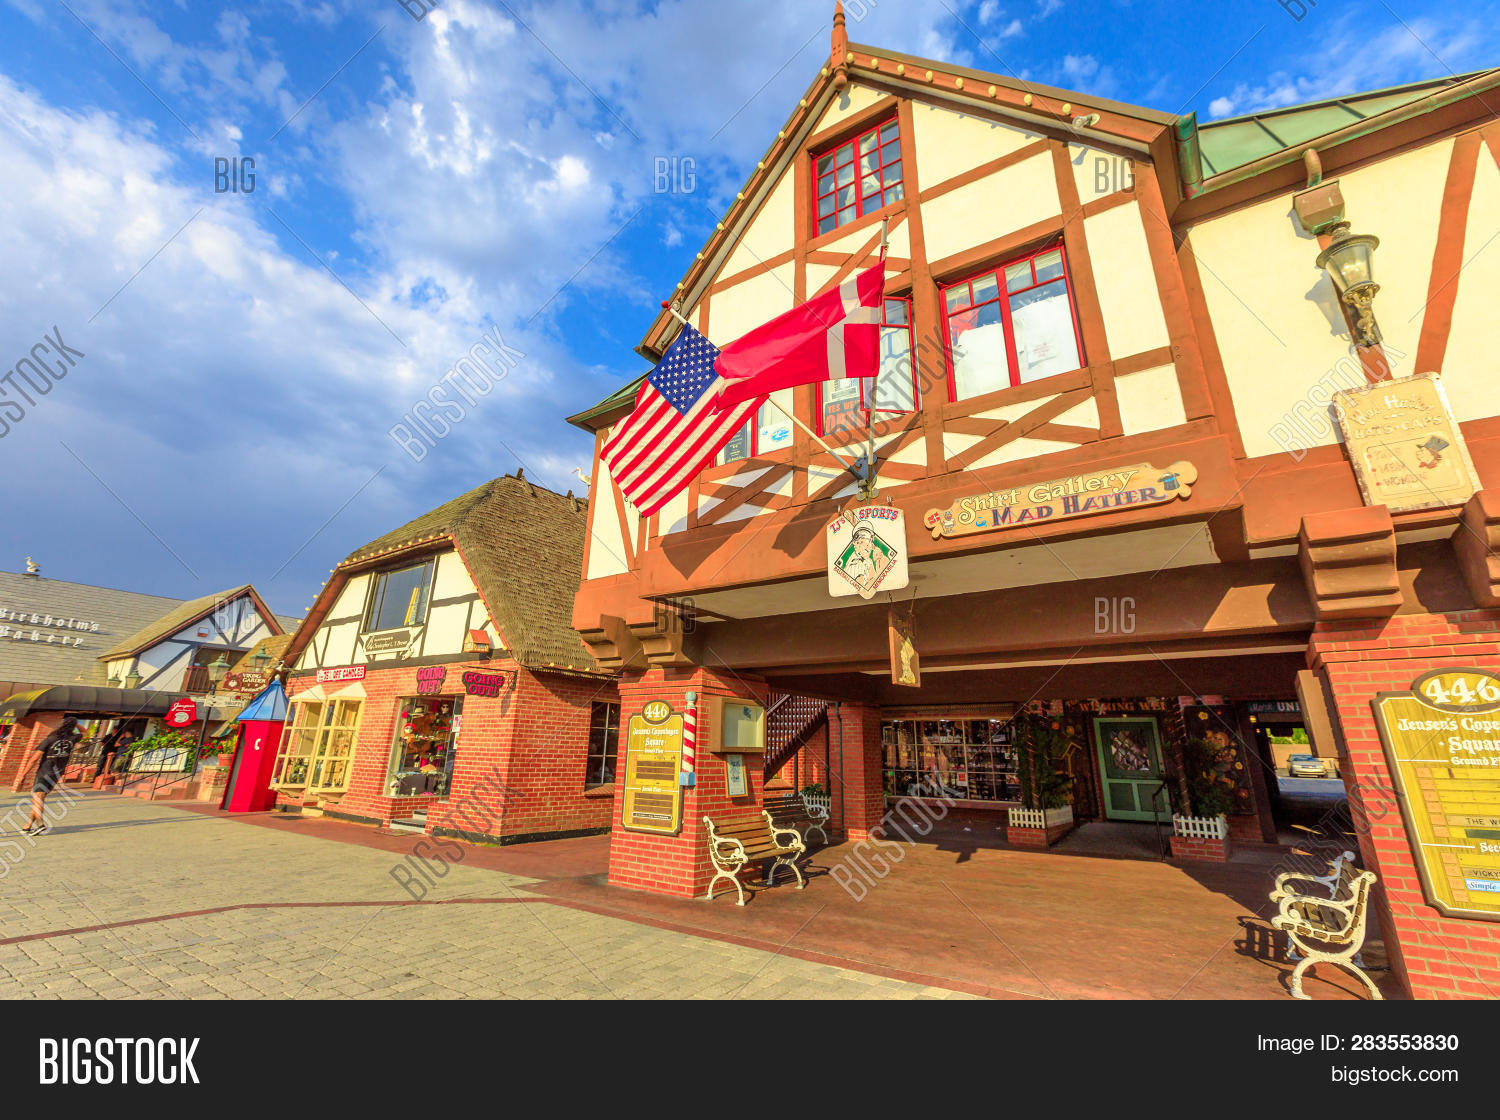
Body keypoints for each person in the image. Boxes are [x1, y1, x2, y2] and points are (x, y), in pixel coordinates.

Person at [20, 716, 81, 835]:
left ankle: (40, 824)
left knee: (37, 799)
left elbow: (34, 758)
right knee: (39, 799)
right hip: (57, 773)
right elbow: (84, 732)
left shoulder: (50, 739)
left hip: (44, 772)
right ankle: (28, 825)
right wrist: (76, 724)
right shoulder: (73, 738)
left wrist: (23, 774)